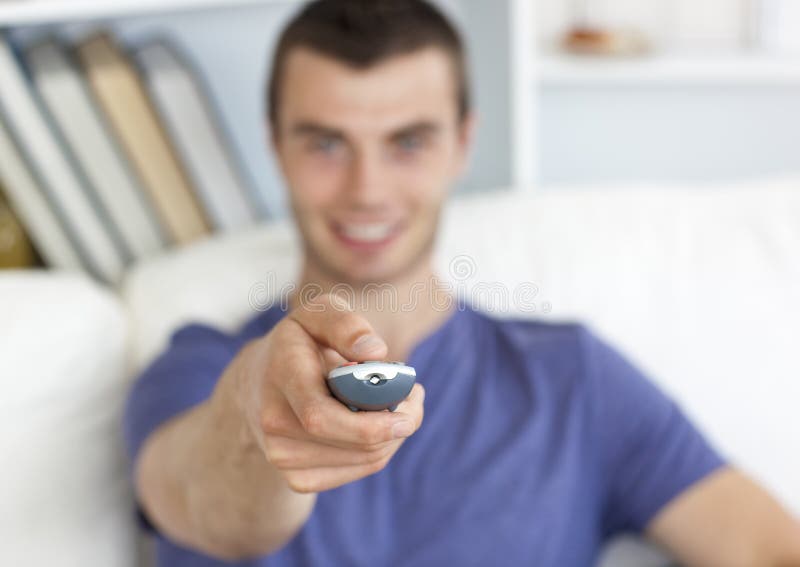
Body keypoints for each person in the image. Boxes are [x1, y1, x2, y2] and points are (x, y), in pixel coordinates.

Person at [123, 1, 800, 565]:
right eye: (326, 144)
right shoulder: (196, 369)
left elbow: (770, 550)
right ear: (277, 147)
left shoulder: (573, 379)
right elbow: (206, 508)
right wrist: (254, 407)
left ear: (462, 144)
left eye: (408, 142)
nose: (367, 189)